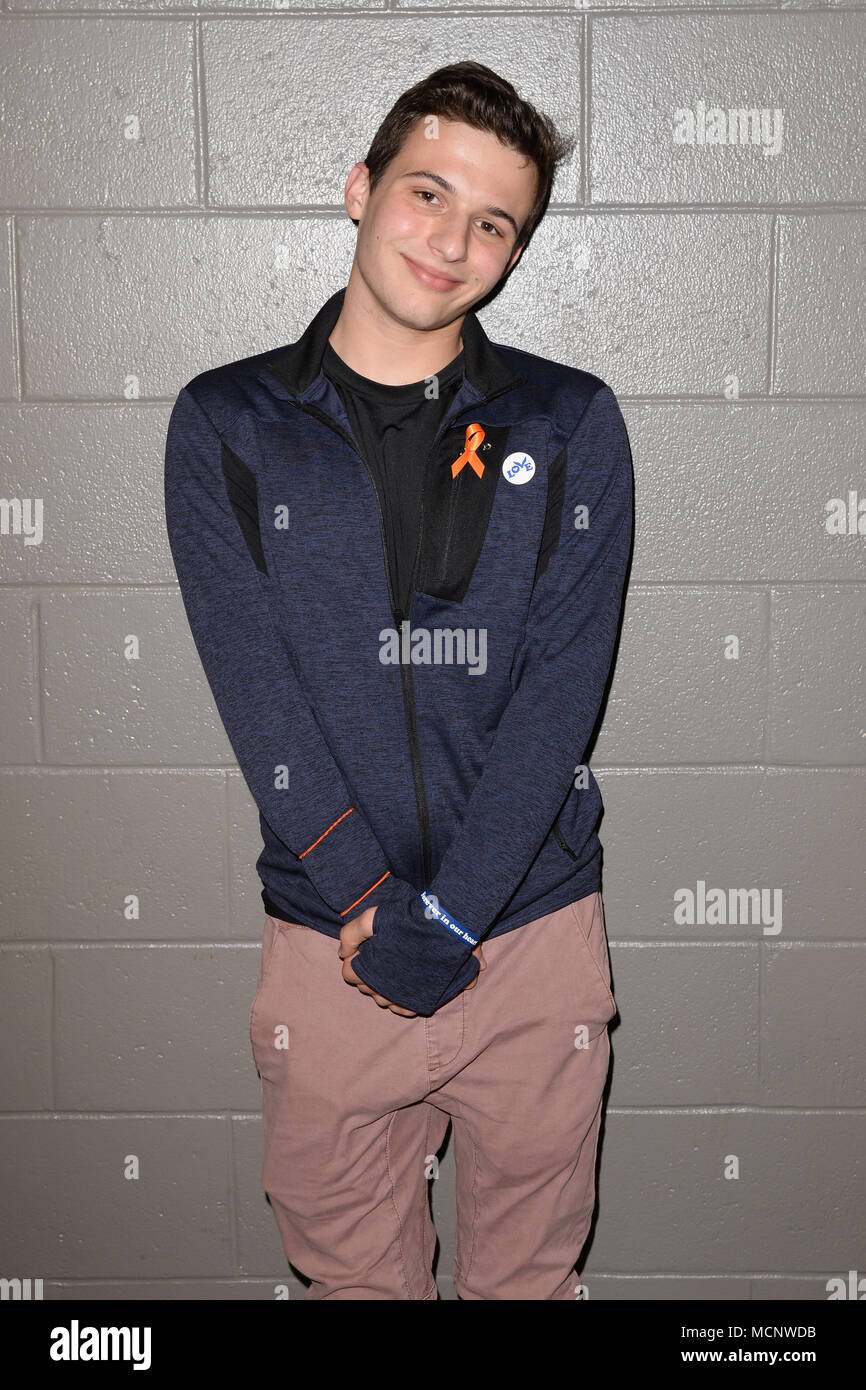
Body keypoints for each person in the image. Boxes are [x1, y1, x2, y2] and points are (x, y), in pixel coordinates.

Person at [164, 60, 634, 1300]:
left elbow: (558, 694)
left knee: (526, 1285)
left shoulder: (568, 419)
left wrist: (458, 911)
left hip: (528, 937)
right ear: (360, 186)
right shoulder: (227, 422)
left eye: (494, 222)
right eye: (428, 193)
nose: (453, 240)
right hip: (328, 941)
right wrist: (373, 898)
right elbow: (252, 690)